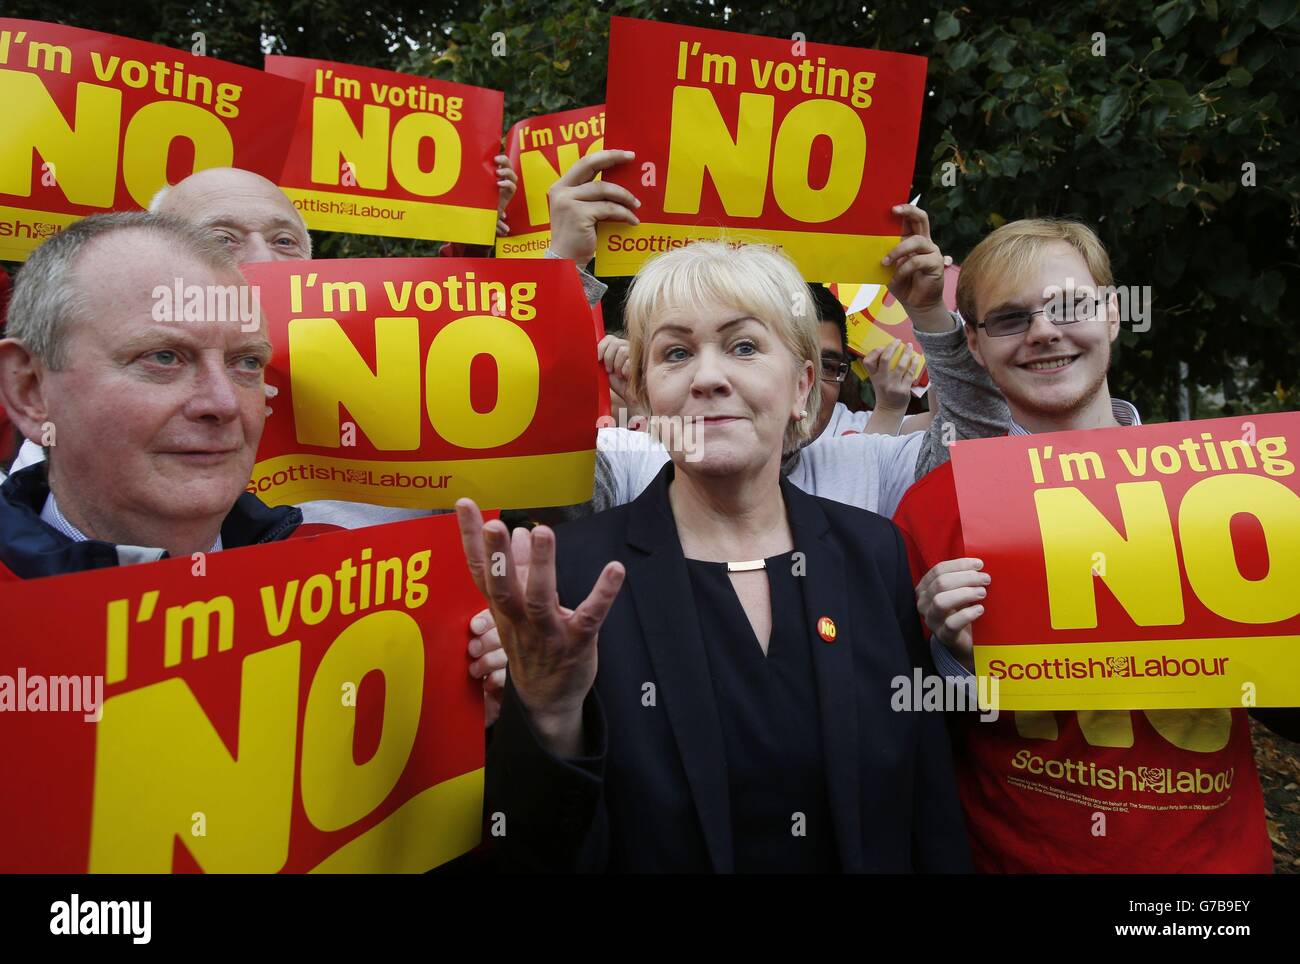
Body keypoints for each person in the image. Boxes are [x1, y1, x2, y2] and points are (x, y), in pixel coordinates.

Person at [456, 240, 971, 872]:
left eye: (745, 346)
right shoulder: (573, 577)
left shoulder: (872, 553)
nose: (708, 377)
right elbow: (528, 844)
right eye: (674, 353)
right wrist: (550, 714)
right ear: (644, 394)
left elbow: (928, 802)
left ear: (802, 387)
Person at [889, 215, 1300, 872]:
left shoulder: (1236, 490)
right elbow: (902, 740)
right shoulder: (932, 510)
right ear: (978, 343)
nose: (1044, 332)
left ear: (1112, 315)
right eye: (1010, 318)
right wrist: (961, 668)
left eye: (1070, 306)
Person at [0, 213, 301, 577]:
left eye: (248, 362)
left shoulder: (338, 588)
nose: (225, 402)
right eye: (164, 357)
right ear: (30, 390)